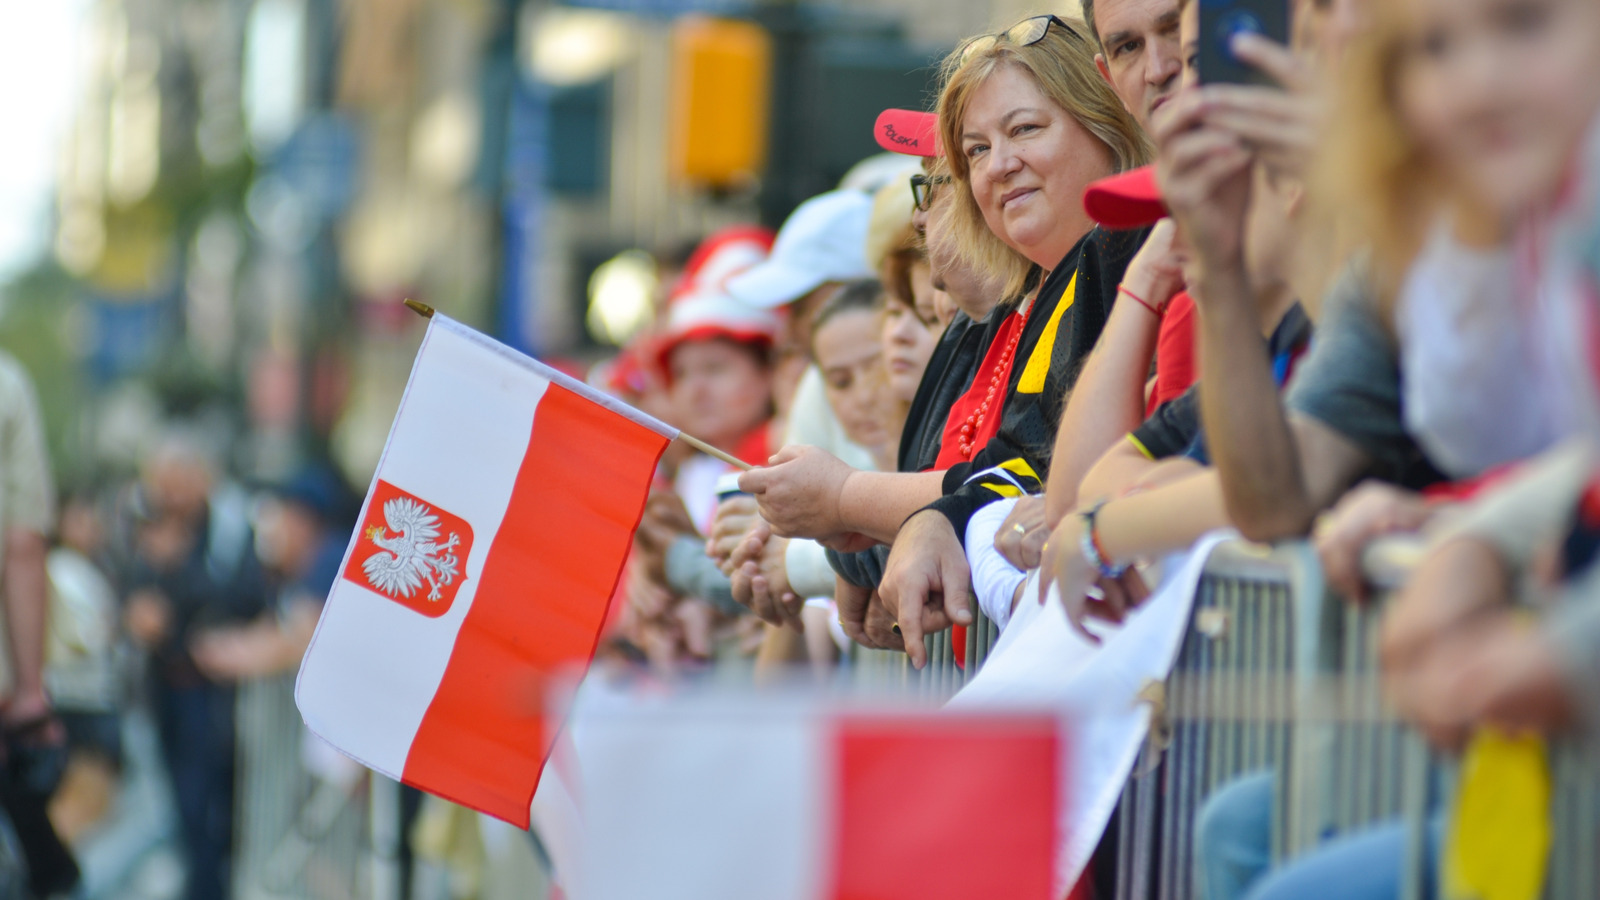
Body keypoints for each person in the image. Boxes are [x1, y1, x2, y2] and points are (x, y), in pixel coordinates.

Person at [867, 13, 1152, 666]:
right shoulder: (1052, 286)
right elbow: (1016, 460)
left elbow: (1056, 476)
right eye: (974, 150)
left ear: (1104, 118)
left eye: (1024, 129)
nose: (1000, 166)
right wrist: (929, 522)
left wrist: (850, 505)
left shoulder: (1126, 258)